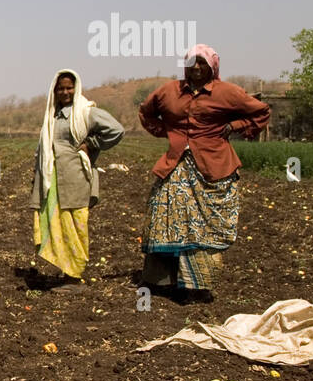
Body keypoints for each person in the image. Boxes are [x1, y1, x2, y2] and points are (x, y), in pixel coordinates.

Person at [137, 44, 269, 302]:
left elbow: (261, 112)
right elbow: (146, 111)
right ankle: (163, 281)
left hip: (213, 167)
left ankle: (197, 286)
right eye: (192, 63)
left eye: (202, 63)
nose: (196, 68)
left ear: (212, 66)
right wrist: (167, 132)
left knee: (203, 228)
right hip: (176, 164)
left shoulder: (227, 92)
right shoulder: (169, 91)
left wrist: (235, 125)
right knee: (163, 215)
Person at [29, 69, 124, 288]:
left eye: (69, 87)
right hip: (52, 178)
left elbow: (116, 130)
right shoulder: (52, 114)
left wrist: (91, 144)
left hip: (75, 177)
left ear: (76, 88)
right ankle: (66, 272)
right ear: (55, 90)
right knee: (58, 223)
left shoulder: (85, 112)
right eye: (60, 88)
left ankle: (75, 274)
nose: (65, 92)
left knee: (76, 223)